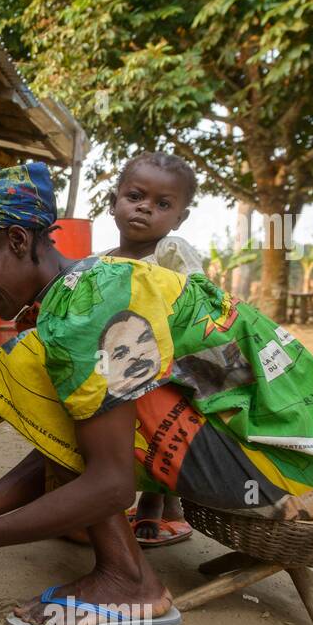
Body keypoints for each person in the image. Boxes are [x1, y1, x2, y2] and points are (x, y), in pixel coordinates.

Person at [0, 162, 313, 625]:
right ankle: (123, 571)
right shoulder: (84, 290)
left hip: (302, 475)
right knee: (70, 385)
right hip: (308, 461)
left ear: (18, 241)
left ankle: (129, 582)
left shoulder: (90, 309)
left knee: (41, 368)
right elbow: (83, 437)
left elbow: (111, 483)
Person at [104, 152, 205, 547]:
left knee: (163, 430)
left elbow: (197, 299)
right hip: (125, 364)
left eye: (163, 204)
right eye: (135, 195)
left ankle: (154, 501)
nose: (145, 207)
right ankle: (161, 502)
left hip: (174, 361)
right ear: (115, 200)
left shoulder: (170, 252)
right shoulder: (101, 262)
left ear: (179, 218)